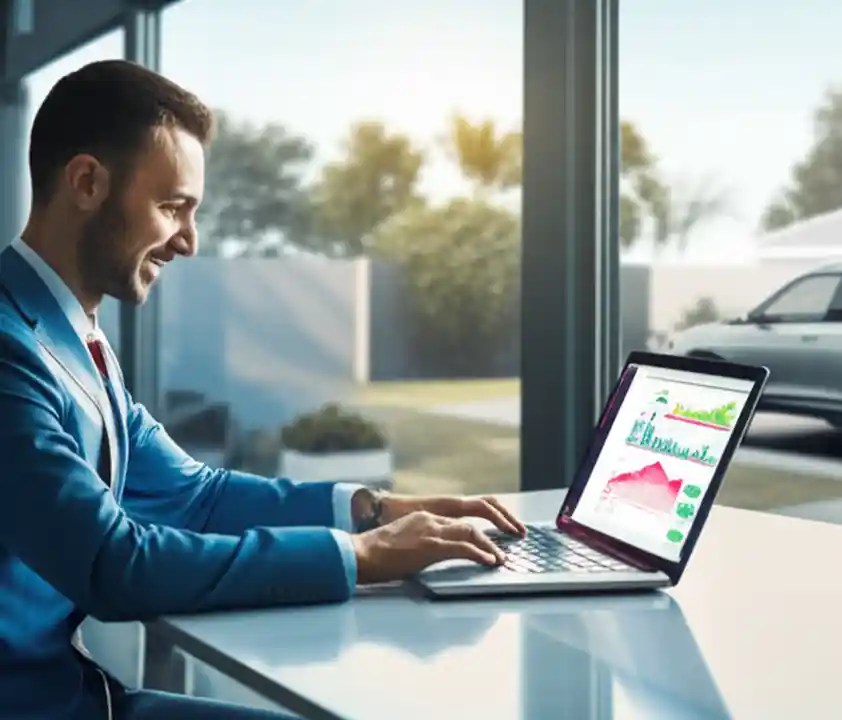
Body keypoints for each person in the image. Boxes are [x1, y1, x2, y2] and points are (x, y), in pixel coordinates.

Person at [0, 59, 527, 719]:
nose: (188, 241)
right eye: (172, 207)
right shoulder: (9, 348)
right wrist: (363, 555)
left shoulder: (72, 334)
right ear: (86, 182)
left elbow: (192, 496)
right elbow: (113, 564)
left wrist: (377, 509)